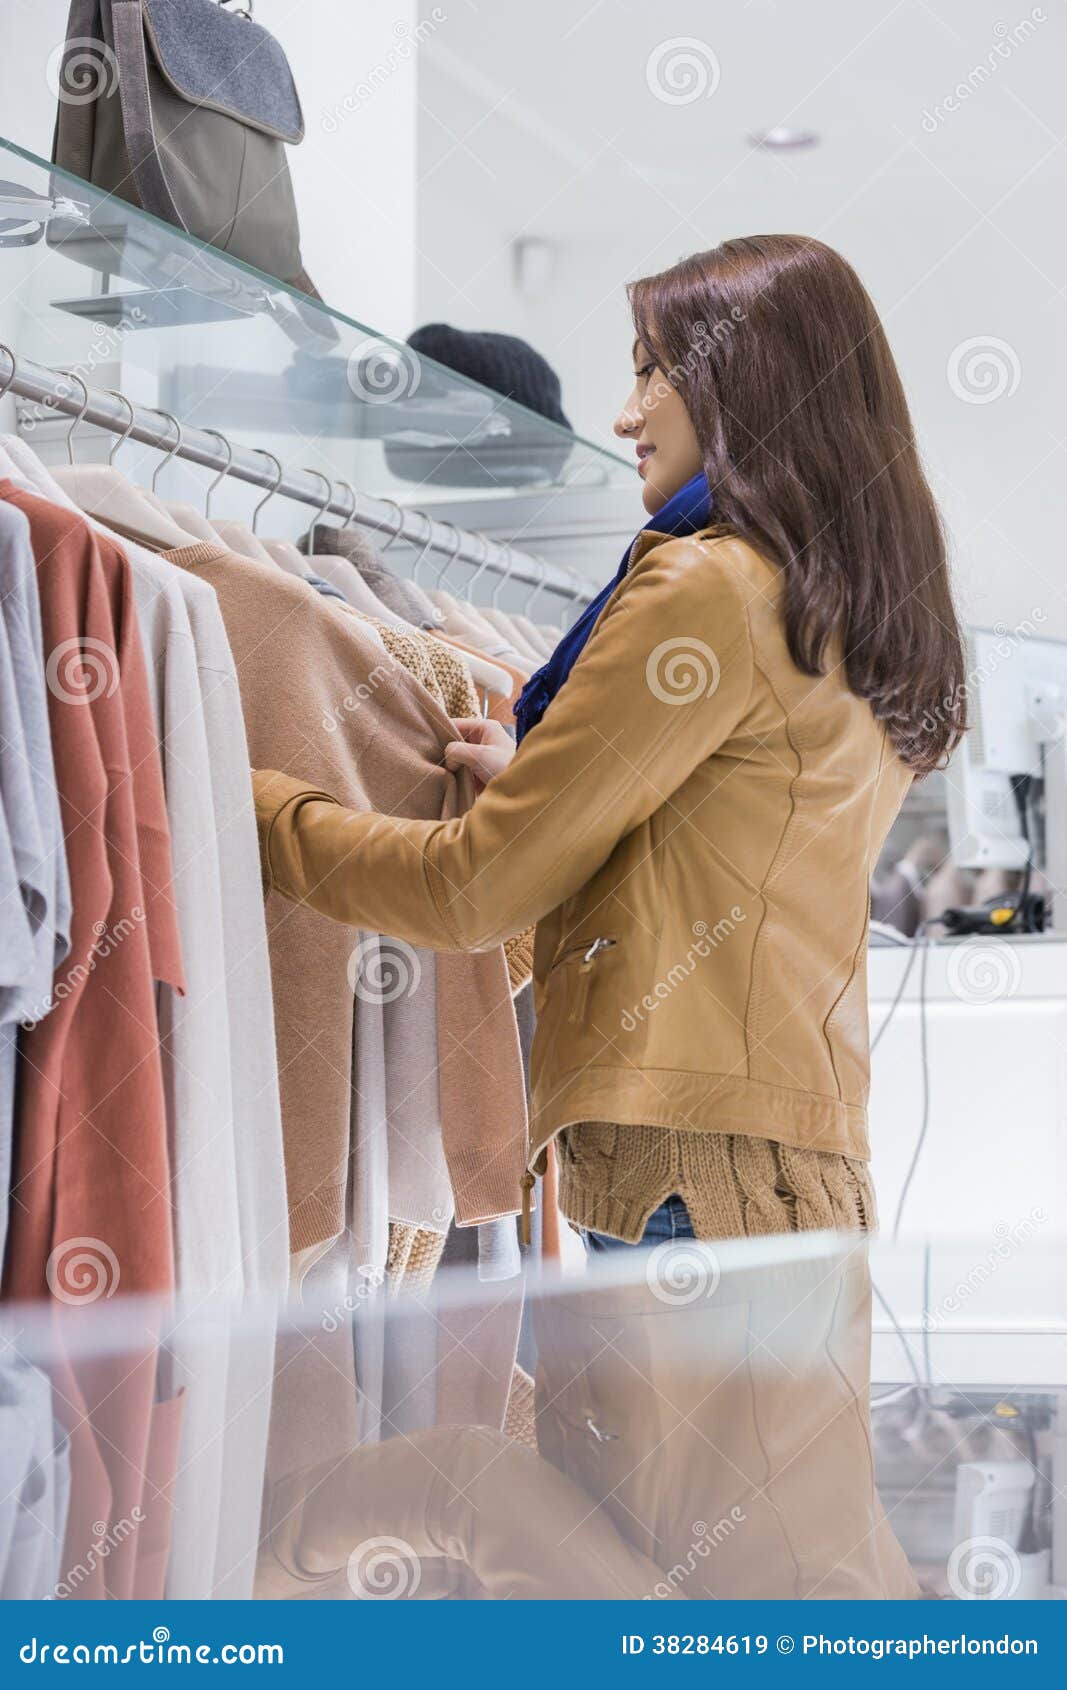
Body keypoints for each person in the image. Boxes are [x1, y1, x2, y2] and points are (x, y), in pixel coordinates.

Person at [253, 234, 965, 1598]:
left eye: (653, 373)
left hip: (691, 1185)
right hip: (780, 1174)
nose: (628, 411)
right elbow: (718, 851)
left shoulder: (707, 585)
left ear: (746, 387)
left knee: (684, 1598)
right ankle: (245, 1557)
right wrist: (546, 784)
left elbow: (471, 891)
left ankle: (232, 1561)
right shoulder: (850, 618)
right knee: (749, 1586)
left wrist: (246, 805)